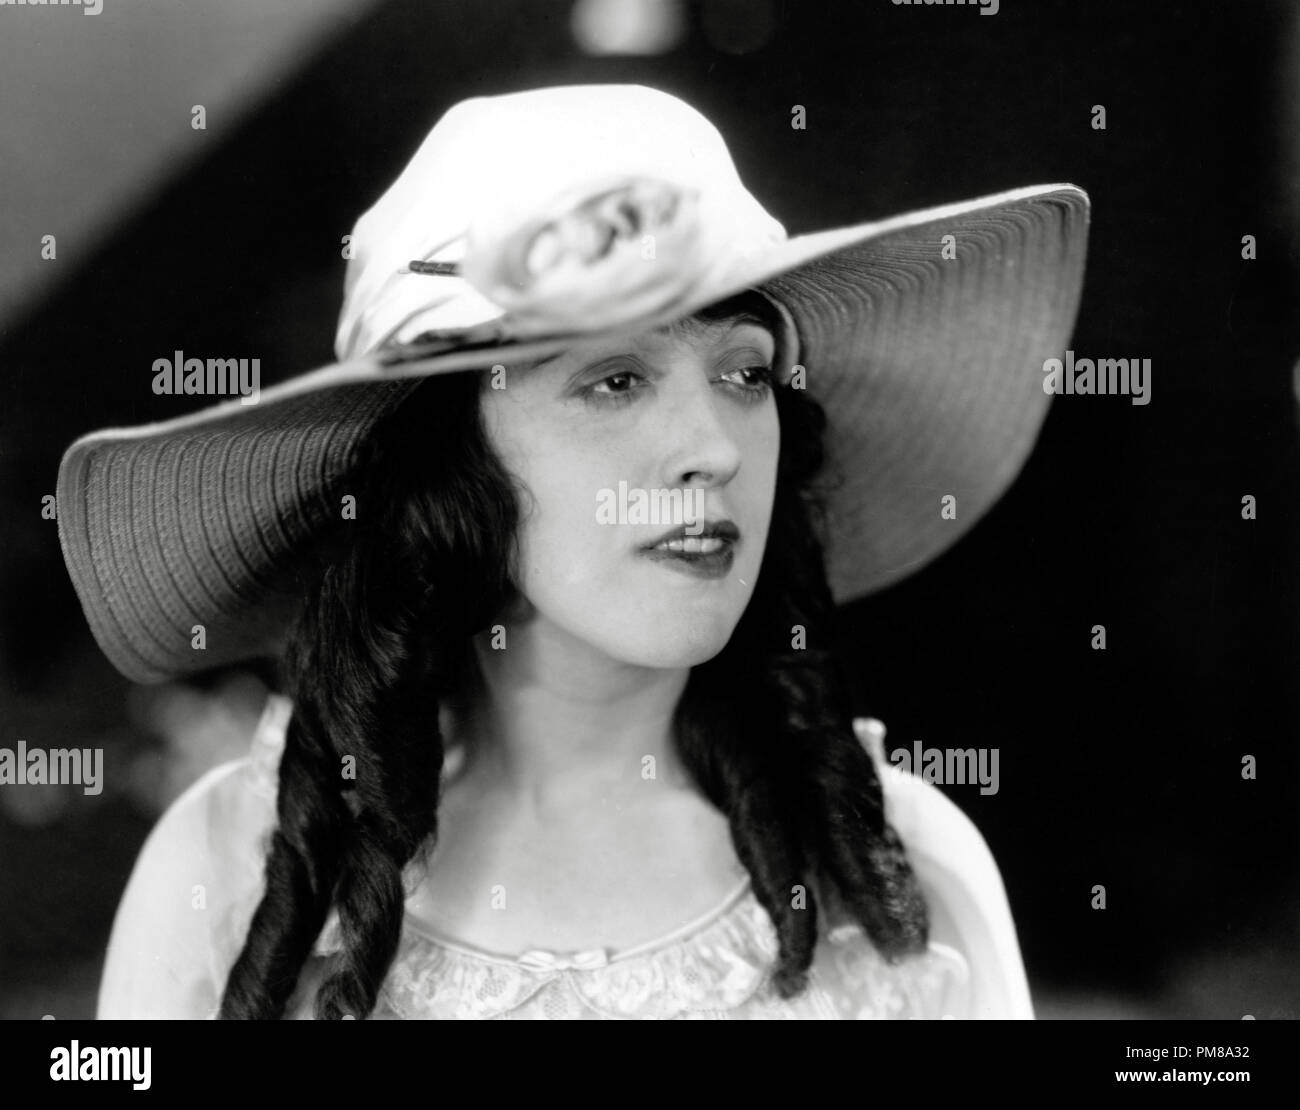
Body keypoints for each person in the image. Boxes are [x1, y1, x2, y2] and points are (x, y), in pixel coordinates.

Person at [56, 84, 1090, 1019]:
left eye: (744, 374)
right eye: (614, 382)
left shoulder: (893, 873)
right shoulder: (236, 873)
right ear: (450, 461)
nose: (710, 451)